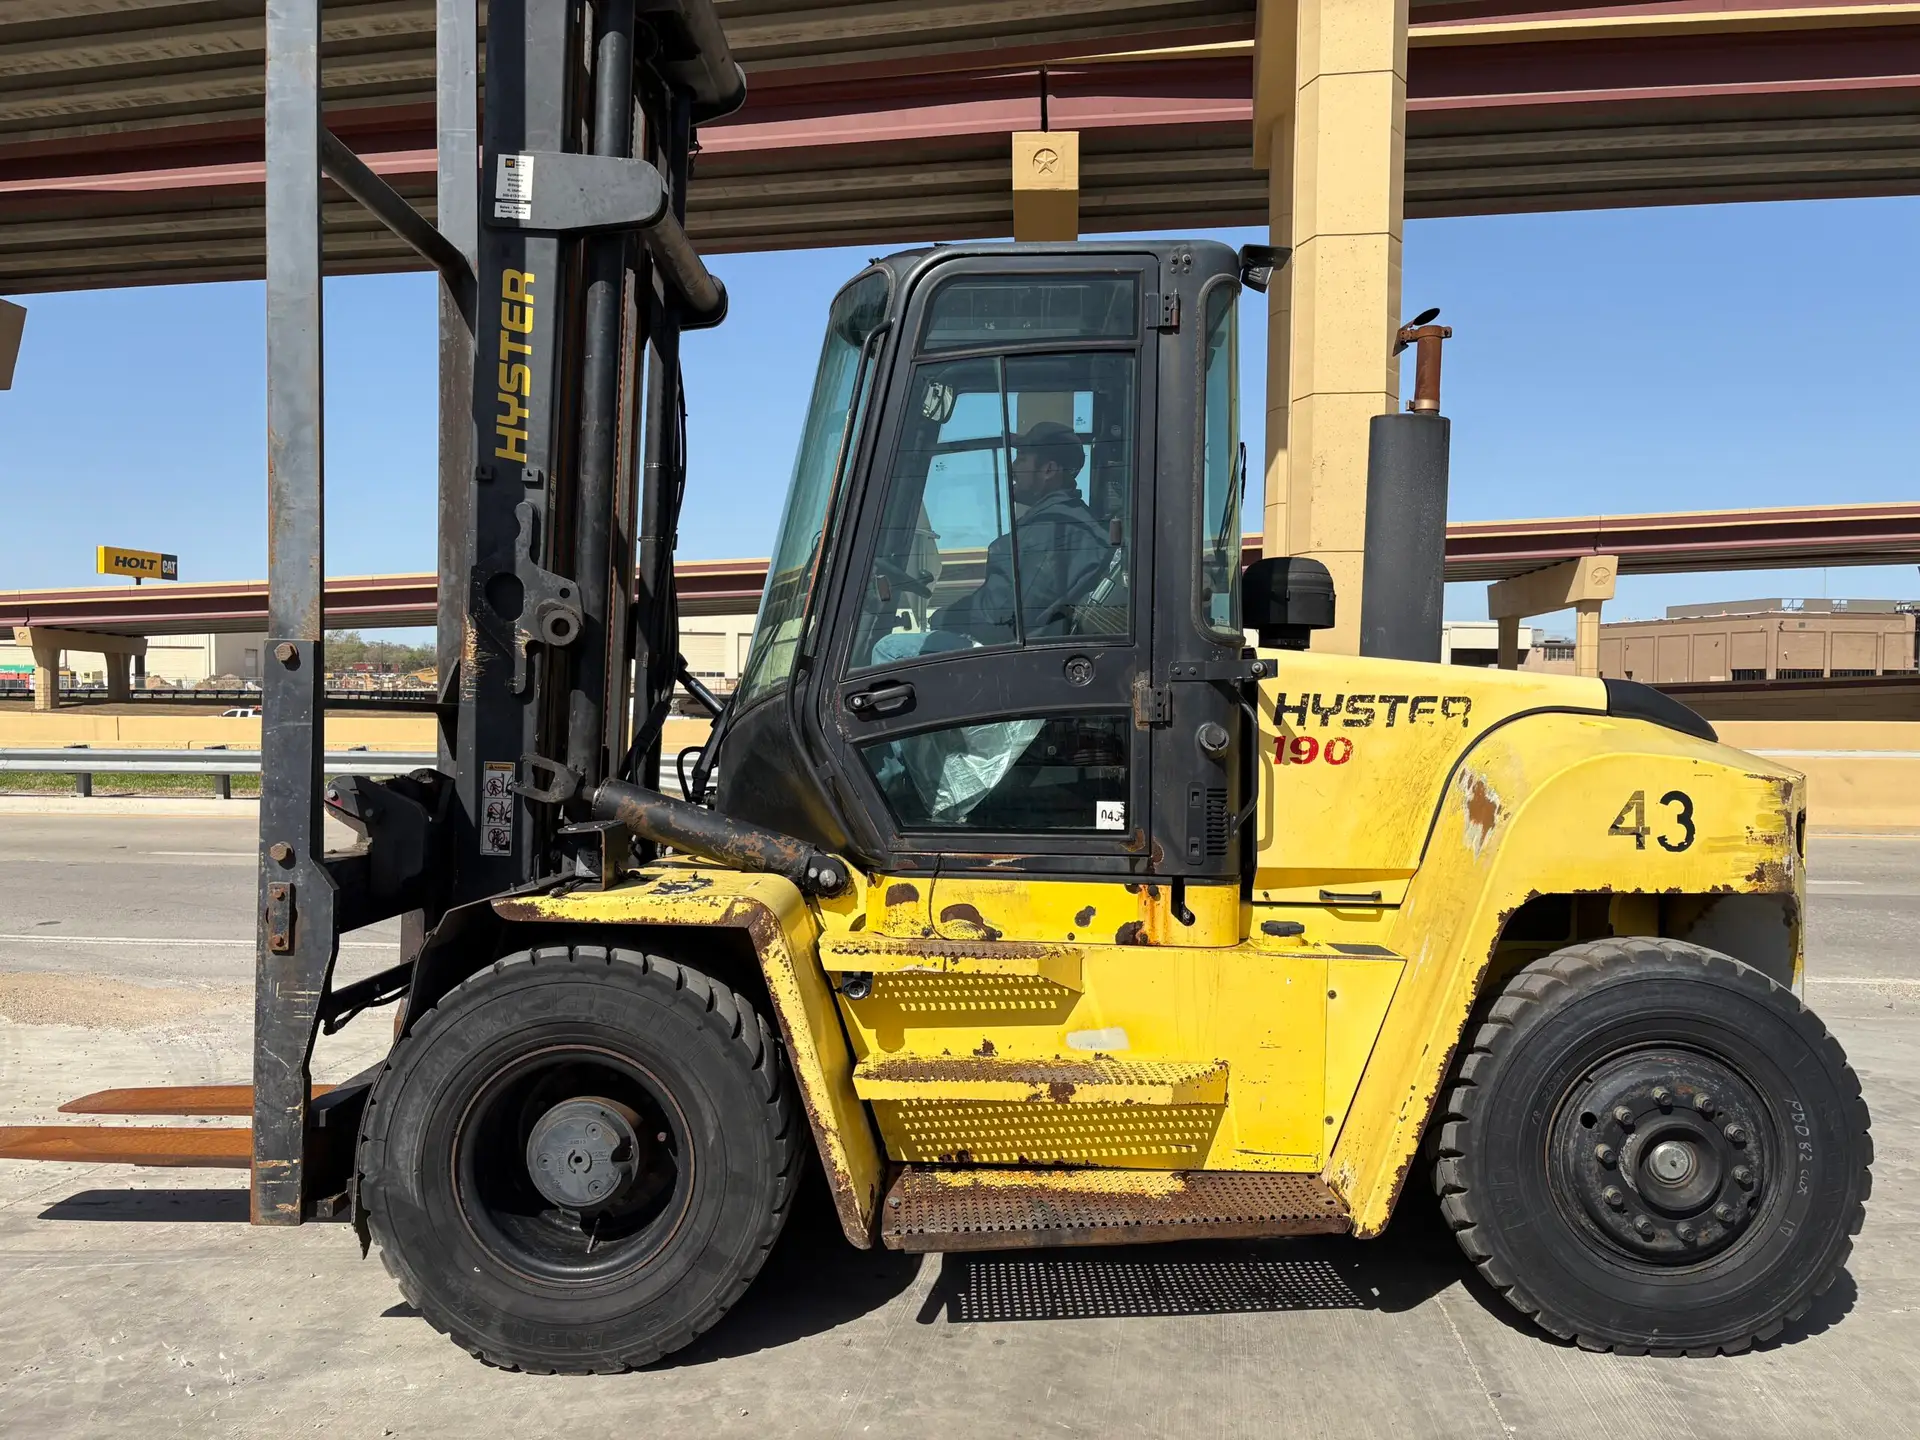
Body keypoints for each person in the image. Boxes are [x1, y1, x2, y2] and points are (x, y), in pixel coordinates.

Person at [870, 421, 1113, 665]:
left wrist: (944, 618)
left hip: (1023, 660)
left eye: (1021, 459)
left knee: (890, 648)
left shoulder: (1052, 530)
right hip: (1035, 649)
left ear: (1048, 470)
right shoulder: (1069, 524)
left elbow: (999, 616)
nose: (1014, 467)